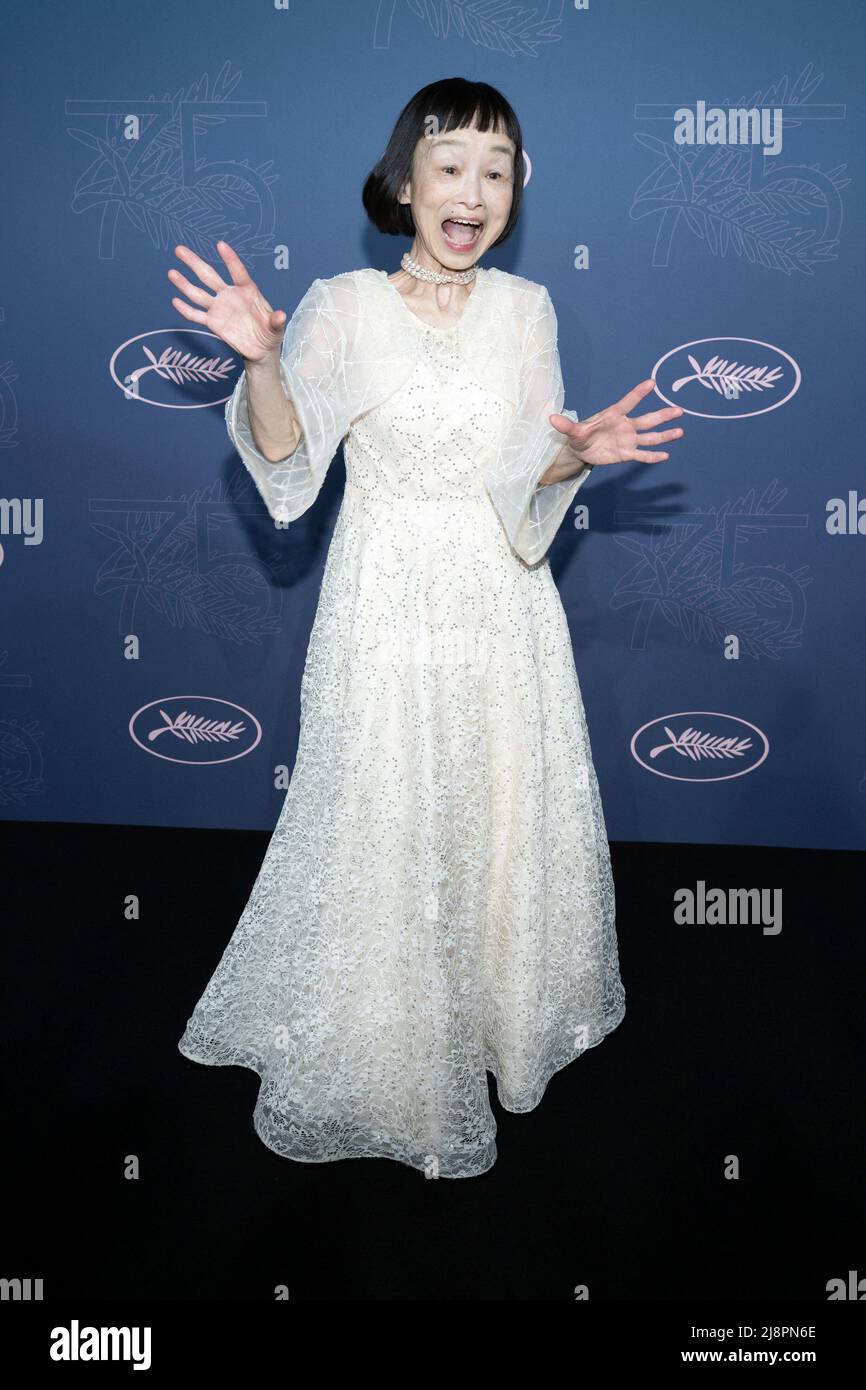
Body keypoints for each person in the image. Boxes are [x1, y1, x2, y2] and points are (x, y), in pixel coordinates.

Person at [171, 77, 684, 1180]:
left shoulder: (527, 310)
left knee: (495, 802)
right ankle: (390, 1046)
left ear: (514, 192)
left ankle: (501, 1020)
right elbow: (286, 458)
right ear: (405, 182)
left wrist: (575, 455)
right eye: (450, 166)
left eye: (496, 171)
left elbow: (522, 474)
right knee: (387, 805)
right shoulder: (342, 303)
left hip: (500, 602)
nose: (472, 191)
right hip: (384, 594)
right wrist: (261, 362)